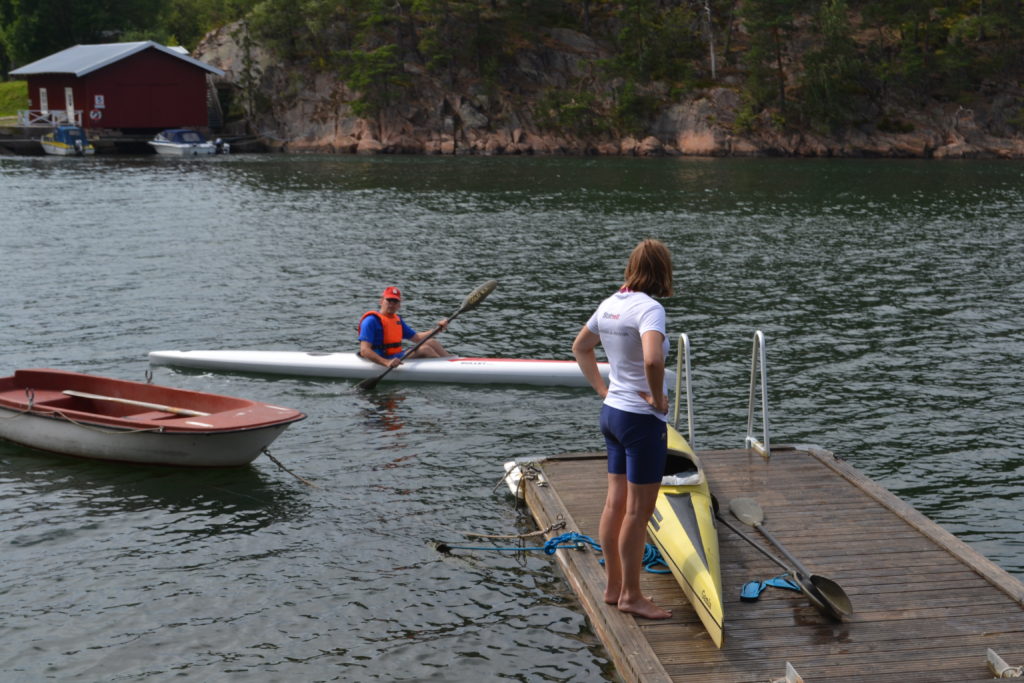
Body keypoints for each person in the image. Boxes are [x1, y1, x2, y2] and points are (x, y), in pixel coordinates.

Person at [572, 239, 674, 620]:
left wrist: (601, 388)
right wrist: (656, 398)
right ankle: (632, 595)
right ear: (662, 270)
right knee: (638, 511)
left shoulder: (610, 304)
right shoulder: (651, 309)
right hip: (640, 421)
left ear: (632, 267)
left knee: (615, 504)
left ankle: (613, 587)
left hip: (612, 413)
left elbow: (580, 347)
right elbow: (651, 358)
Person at [358, 286, 450, 368]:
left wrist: (438, 329)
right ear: (381, 301)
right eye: (389, 300)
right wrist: (386, 362)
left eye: (395, 301)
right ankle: (446, 370)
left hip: (395, 355)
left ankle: (452, 361)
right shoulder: (370, 321)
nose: (392, 304)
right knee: (425, 349)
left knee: (431, 342)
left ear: (399, 305)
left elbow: (417, 338)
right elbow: (364, 350)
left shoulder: (397, 320)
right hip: (382, 358)